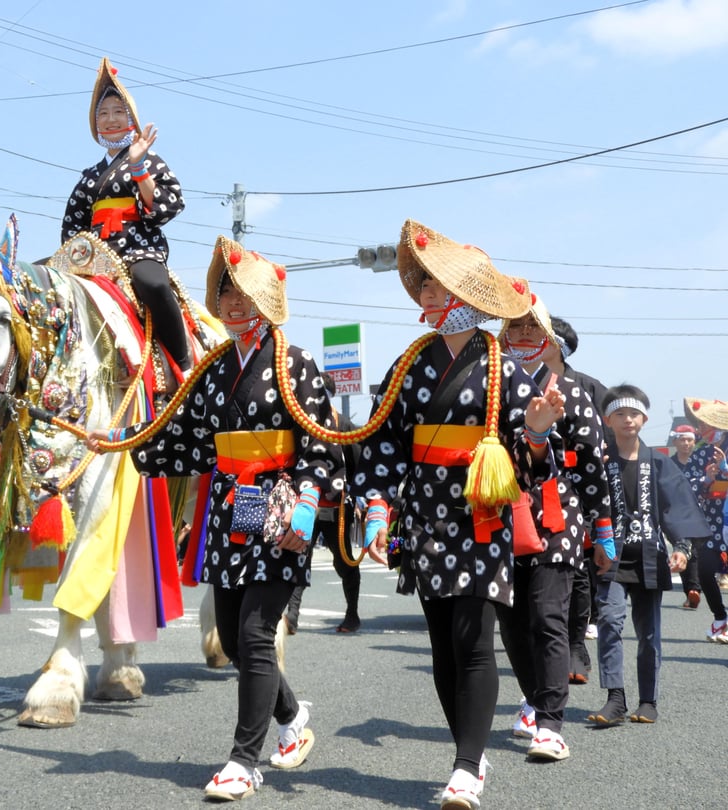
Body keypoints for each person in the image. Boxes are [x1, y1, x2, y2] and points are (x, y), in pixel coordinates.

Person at [86, 235, 344, 802]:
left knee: (253, 634)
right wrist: (123, 442)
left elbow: (322, 446)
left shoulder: (294, 362)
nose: (232, 302)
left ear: (267, 301)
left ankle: (243, 761)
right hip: (232, 506)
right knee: (230, 633)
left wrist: (306, 499)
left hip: (278, 507)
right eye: (225, 291)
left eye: (244, 292)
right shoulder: (217, 366)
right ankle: (293, 717)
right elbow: (186, 440)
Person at [354, 219, 565, 809]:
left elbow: (530, 469)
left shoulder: (505, 366)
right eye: (422, 283)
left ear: (467, 295)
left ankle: (466, 767)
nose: (427, 292)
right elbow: (381, 444)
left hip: (480, 518)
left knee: (474, 640)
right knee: (443, 646)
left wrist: (538, 432)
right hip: (425, 517)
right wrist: (375, 507)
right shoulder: (409, 363)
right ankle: (467, 750)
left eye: (438, 284)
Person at [496, 290, 613, 762]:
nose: (523, 335)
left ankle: (550, 723)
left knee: (547, 617)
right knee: (511, 622)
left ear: (548, 338)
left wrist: (603, 529)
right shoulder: (490, 387)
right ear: (502, 335)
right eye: (514, 327)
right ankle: (534, 697)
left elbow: (592, 467)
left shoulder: (576, 392)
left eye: (532, 328)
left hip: (556, 516)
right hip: (499, 513)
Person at [587, 384, 709, 726]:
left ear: (644, 419)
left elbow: (676, 508)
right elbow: (584, 503)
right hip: (609, 555)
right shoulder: (599, 459)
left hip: (649, 555)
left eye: (634, 414)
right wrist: (590, 536)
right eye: (620, 414)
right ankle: (614, 697)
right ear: (607, 420)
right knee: (609, 622)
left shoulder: (658, 462)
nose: (628, 420)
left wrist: (682, 549)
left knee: (649, 632)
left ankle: (648, 700)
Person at [62, 57, 191, 375]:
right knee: (41, 280)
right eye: (103, 114)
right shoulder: (89, 176)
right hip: (96, 255)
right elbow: (73, 226)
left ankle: (185, 362)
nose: (110, 119)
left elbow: (167, 202)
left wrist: (137, 167)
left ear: (131, 117)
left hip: (137, 248)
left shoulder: (150, 160)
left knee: (153, 284)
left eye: (118, 112)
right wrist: (75, 258)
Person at [551, 315, 609, 682]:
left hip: (578, 489)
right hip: (523, 488)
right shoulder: (511, 379)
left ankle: (575, 645)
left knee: (577, 570)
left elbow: (615, 432)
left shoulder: (588, 386)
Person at [284, 371, 363, 634]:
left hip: (337, 507)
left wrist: (360, 499)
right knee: (299, 558)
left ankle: (352, 614)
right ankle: (291, 617)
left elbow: (357, 465)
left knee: (344, 562)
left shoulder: (344, 425)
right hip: (306, 505)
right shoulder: (301, 423)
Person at [677, 399, 728, 641]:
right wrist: (707, 478)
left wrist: (725, 469)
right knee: (706, 570)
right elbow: (687, 485)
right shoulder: (700, 454)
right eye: (700, 425)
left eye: (705, 424)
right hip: (711, 521)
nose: (702, 429)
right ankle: (720, 617)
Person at [669, 424, 703, 608]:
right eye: (682, 440)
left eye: (689, 440)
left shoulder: (700, 462)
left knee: (696, 550)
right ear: (675, 442)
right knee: (683, 548)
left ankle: (694, 589)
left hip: (703, 512)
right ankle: (692, 590)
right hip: (678, 513)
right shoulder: (668, 464)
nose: (686, 443)